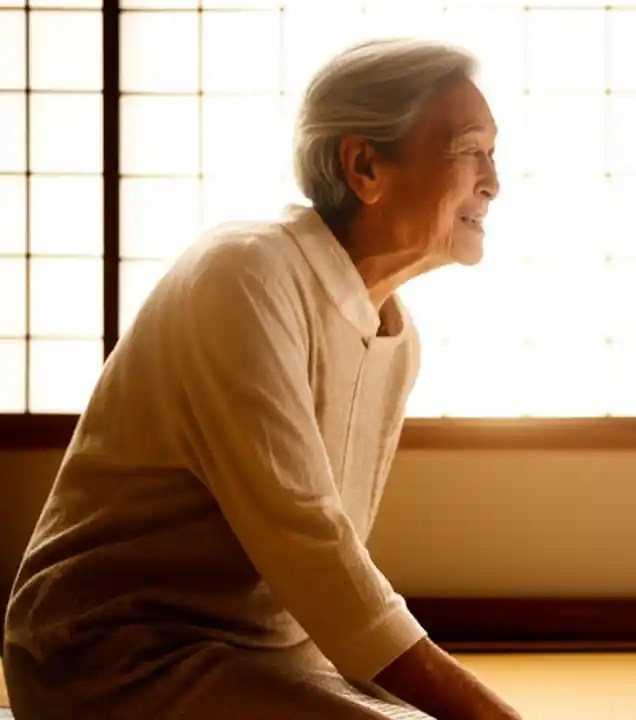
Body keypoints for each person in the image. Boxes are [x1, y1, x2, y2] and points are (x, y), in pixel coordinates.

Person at [3, 38, 521, 719]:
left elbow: (325, 581)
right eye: (470, 149)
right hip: (115, 652)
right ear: (365, 166)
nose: (493, 181)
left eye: (493, 152)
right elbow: (315, 553)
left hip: (266, 656)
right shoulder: (245, 275)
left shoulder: (399, 338)